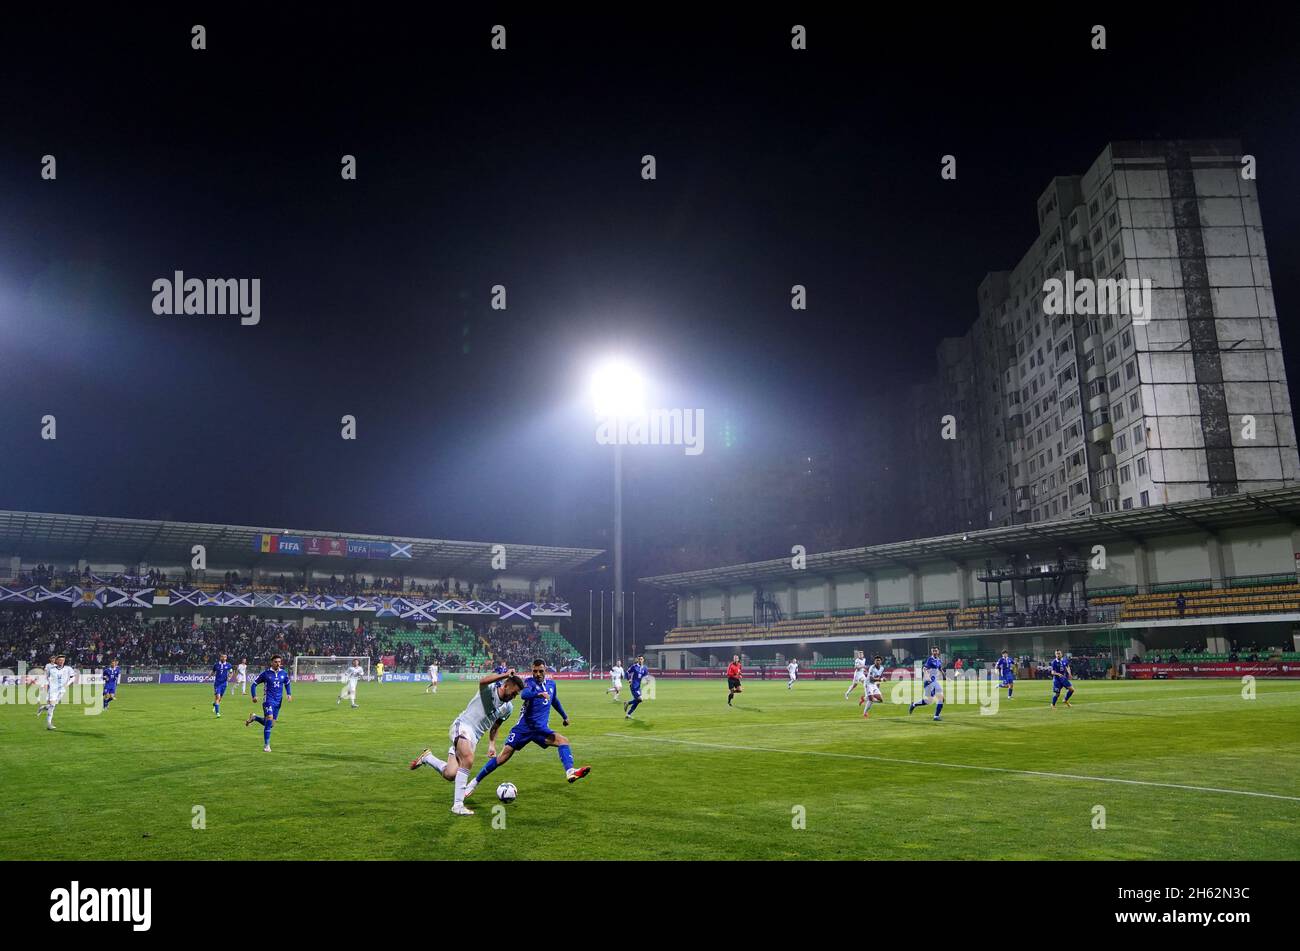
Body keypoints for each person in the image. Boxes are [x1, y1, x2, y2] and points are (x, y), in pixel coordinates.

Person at [464, 658, 591, 799]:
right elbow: (524, 695)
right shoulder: (529, 683)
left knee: (563, 741)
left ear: (545, 670)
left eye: (540, 671)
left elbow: (554, 700)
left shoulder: (551, 685)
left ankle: (570, 771)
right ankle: (474, 782)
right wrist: (538, 694)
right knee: (502, 758)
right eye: (535, 671)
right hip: (523, 728)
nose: (537, 674)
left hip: (540, 730)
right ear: (532, 671)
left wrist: (564, 716)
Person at [408, 669, 525, 816]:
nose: (514, 697)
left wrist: (491, 744)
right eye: (514, 693)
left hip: (473, 739)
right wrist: (505, 674)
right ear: (506, 685)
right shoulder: (490, 690)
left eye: (516, 695)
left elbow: (495, 726)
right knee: (468, 758)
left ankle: (427, 757)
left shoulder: (508, 708)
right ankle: (457, 805)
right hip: (462, 727)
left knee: (450, 774)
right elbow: (482, 681)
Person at [246, 655, 293, 752]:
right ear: (271, 662)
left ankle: (254, 717)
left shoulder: (283, 673)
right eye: (276, 662)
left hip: (278, 701)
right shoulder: (265, 674)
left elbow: (287, 683)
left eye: (279, 662)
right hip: (268, 700)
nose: (278, 663)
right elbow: (253, 685)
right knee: (270, 718)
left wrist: (289, 694)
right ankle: (267, 745)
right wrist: (254, 696)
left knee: (271, 724)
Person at [38, 654, 76, 731]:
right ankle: (49, 724)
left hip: (62, 690)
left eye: (63, 660)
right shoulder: (51, 669)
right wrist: (44, 686)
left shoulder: (68, 669)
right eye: (60, 660)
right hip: (53, 690)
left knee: (53, 705)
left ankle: (43, 707)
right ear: (57, 661)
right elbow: (46, 678)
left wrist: (67, 684)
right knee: (52, 706)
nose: (61, 661)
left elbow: (73, 677)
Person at [908, 646, 944, 721]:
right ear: (932, 652)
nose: (934, 652)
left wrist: (946, 676)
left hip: (934, 682)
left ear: (938, 652)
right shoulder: (930, 659)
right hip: (929, 682)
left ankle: (914, 704)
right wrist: (927, 677)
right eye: (933, 651)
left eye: (936, 651)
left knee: (931, 700)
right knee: (935, 699)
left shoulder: (938, 660)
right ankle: (936, 716)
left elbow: (940, 668)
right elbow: (924, 668)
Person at [212, 653, 232, 717]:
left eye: (225, 657)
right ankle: (217, 713)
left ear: (226, 658)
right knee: (218, 697)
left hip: (224, 684)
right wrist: (207, 677)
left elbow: (231, 672)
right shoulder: (216, 665)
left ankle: (215, 704)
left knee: (219, 698)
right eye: (222, 657)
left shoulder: (229, 665)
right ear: (220, 658)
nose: (224, 658)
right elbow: (213, 672)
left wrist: (229, 677)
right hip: (217, 683)